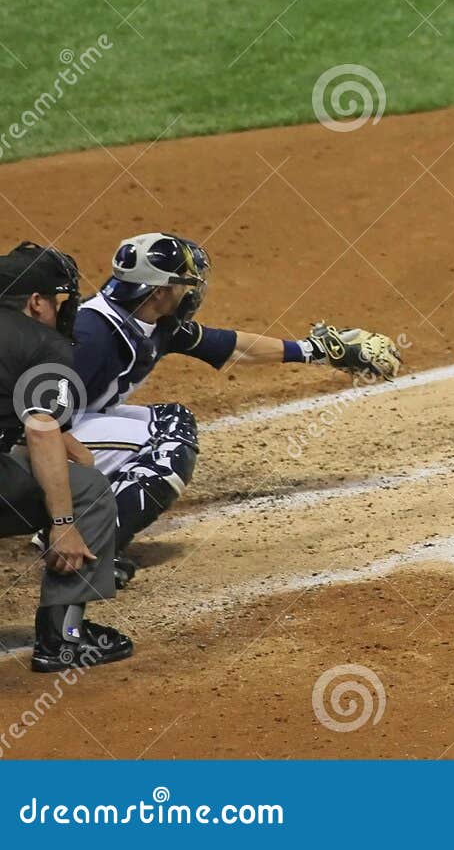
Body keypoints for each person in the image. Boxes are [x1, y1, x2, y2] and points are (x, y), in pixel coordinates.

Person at [67, 232, 402, 582]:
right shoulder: (92, 334)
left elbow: (233, 346)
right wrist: (61, 468)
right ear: (160, 291)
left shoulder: (150, 321)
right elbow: (35, 416)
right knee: (168, 443)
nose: (191, 292)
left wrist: (316, 351)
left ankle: (73, 517)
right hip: (34, 439)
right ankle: (89, 548)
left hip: (72, 427)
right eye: (185, 284)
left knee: (173, 420)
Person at [0, 242, 133, 672]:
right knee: (87, 491)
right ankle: (65, 638)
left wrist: (70, 445)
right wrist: (62, 525)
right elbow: (40, 430)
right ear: (36, 302)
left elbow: (33, 423)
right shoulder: (41, 343)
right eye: (56, 300)